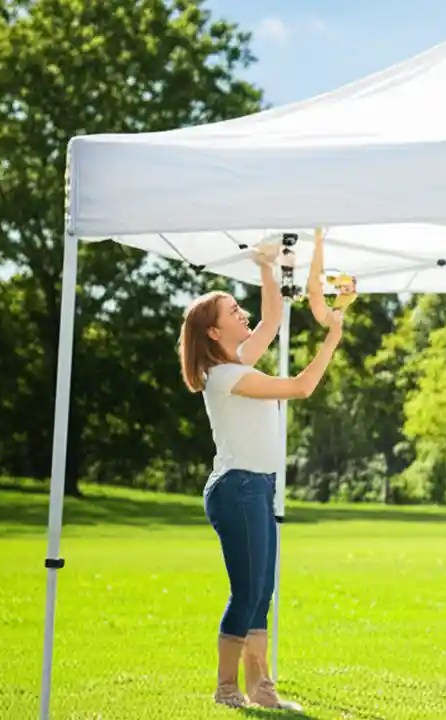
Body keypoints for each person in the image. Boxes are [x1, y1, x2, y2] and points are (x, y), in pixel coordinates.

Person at [178, 243, 344, 710]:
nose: (243, 311)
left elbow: (272, 319)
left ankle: (261, 688)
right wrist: (332, 337)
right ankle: (227, 688)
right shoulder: (224, 375)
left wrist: (265, 268)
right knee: (248, 591)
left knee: (262, 592)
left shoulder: (237, 361)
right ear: (214, 330)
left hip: (258, 487)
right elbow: (301, 387)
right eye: (234, 309)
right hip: (238, 488)